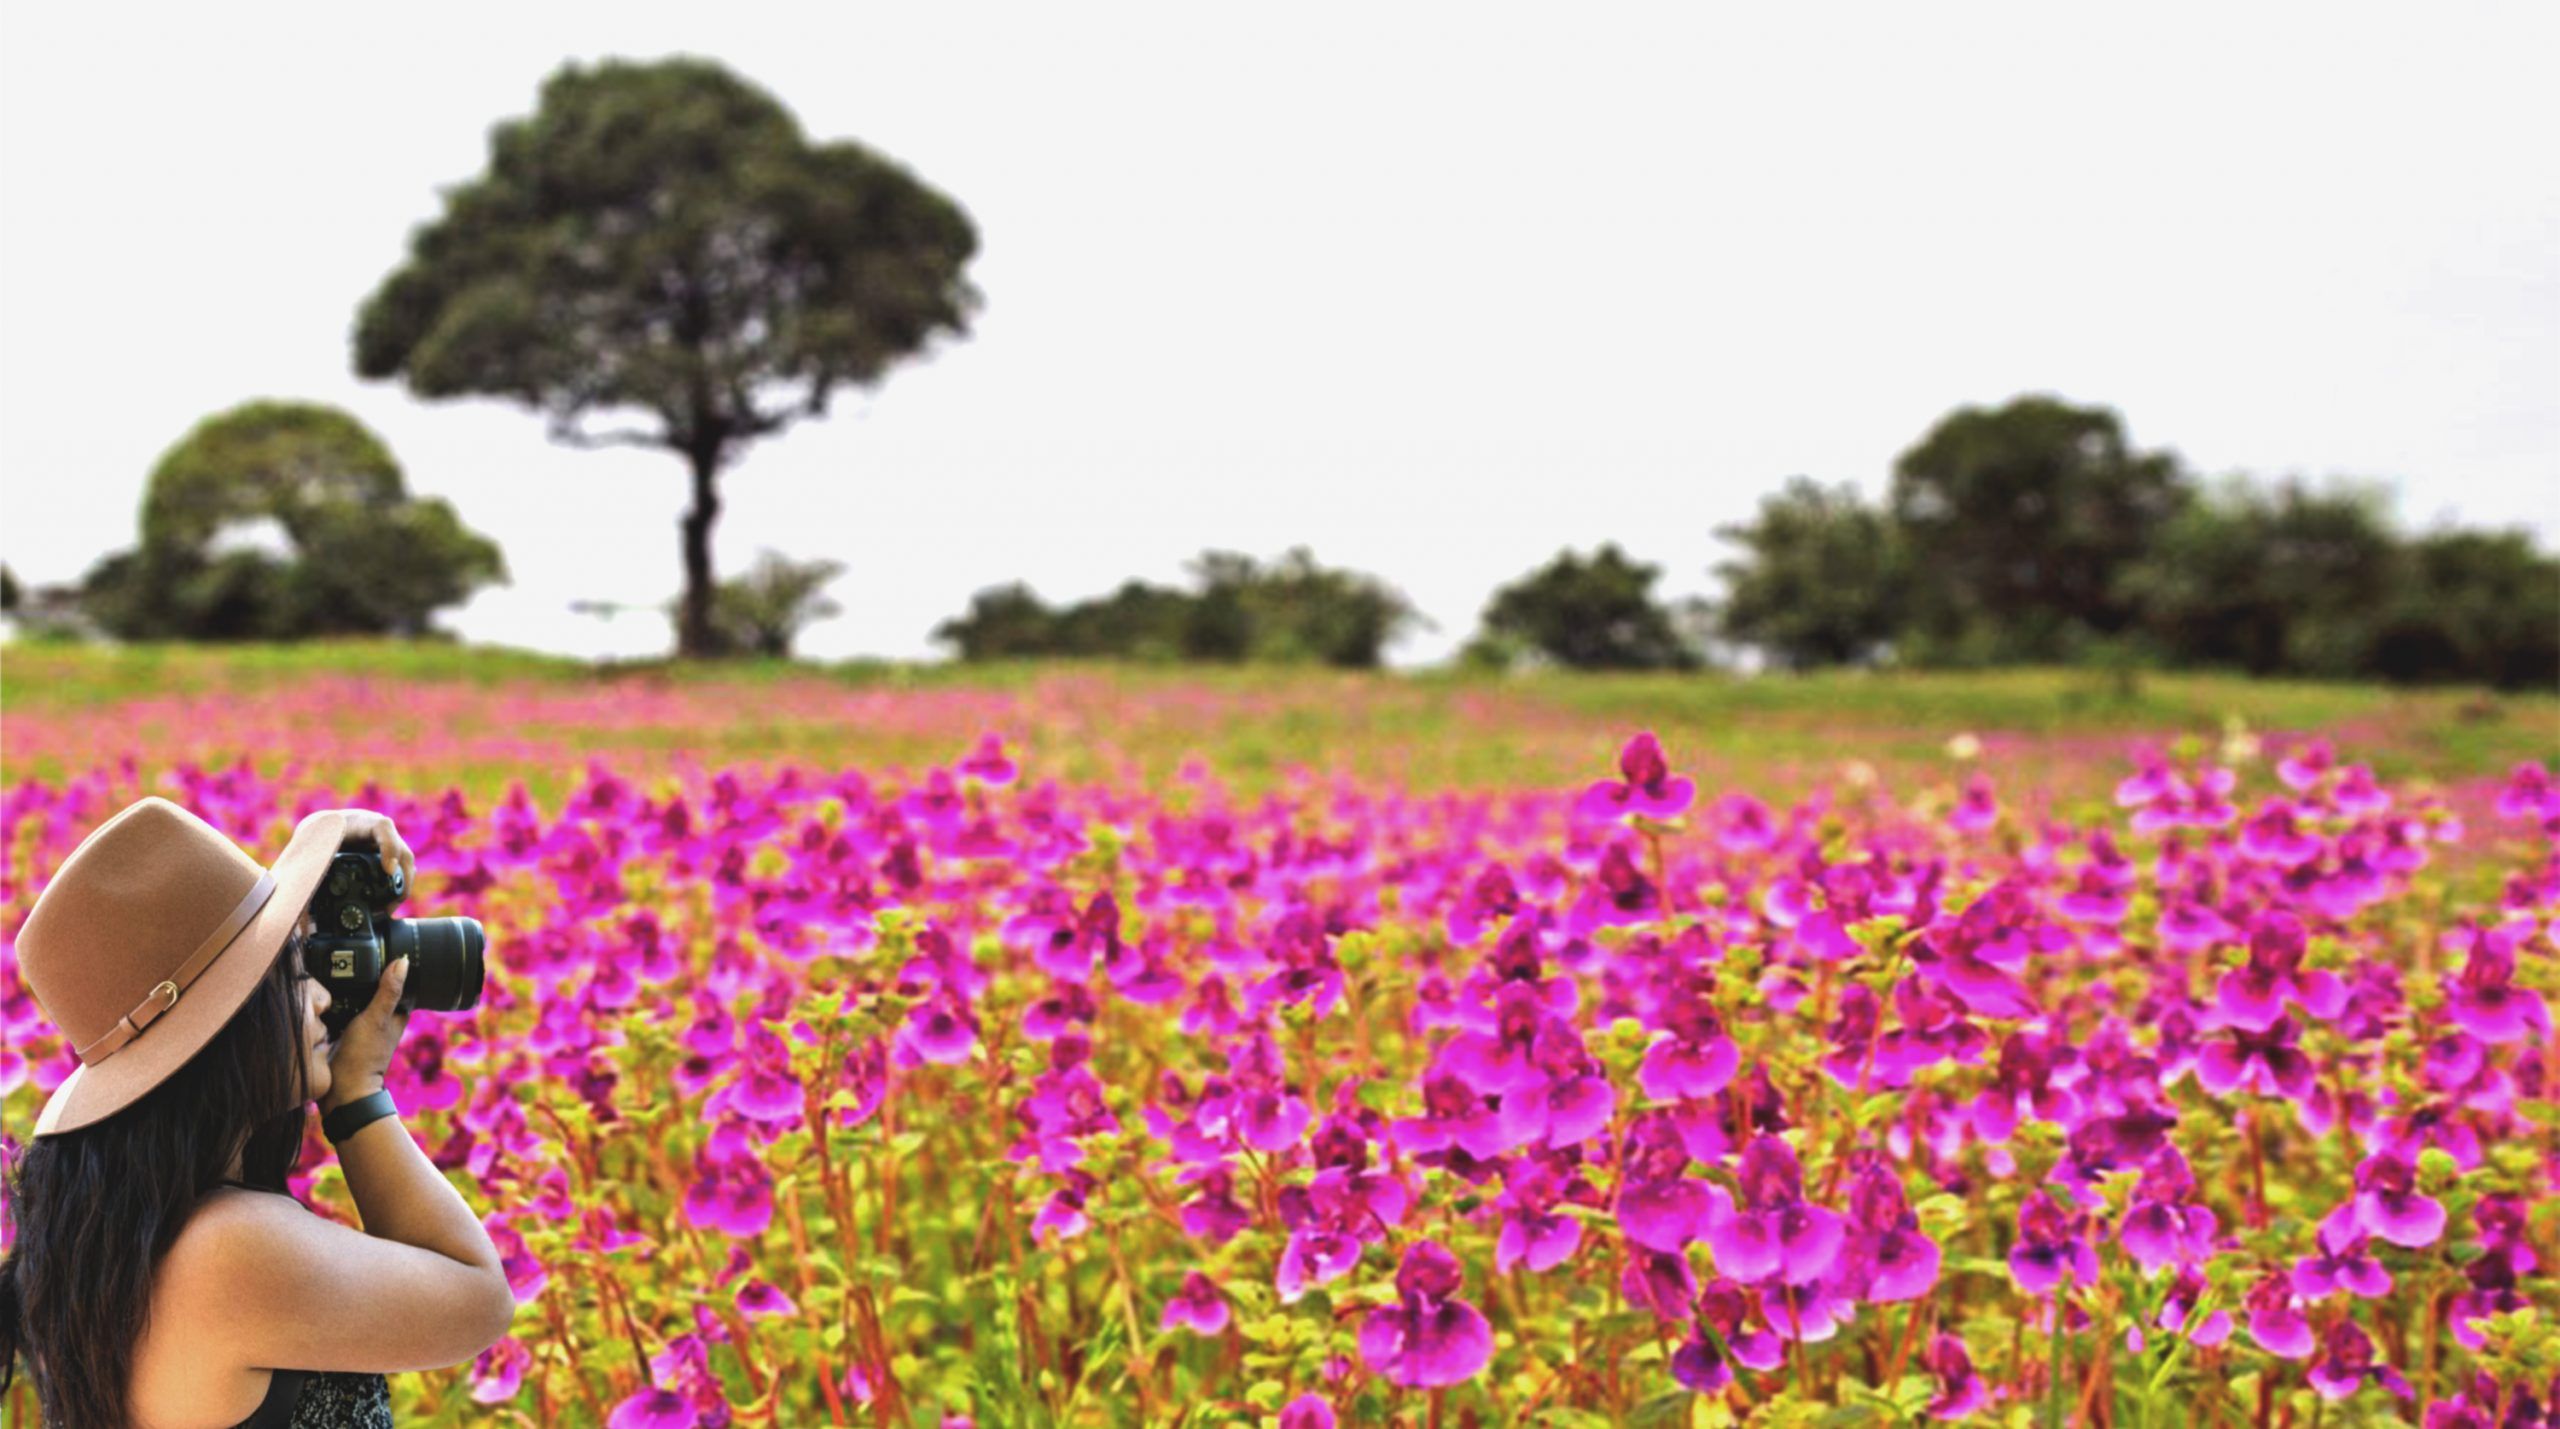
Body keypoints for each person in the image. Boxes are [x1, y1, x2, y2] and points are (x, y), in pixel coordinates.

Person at [0, 798, 517, 1428]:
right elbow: (479, 1298)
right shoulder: (231, 1251)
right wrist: (358, 1098)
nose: (326, 993)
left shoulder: (115, 1234)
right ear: (234, 1028)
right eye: (298, 968)